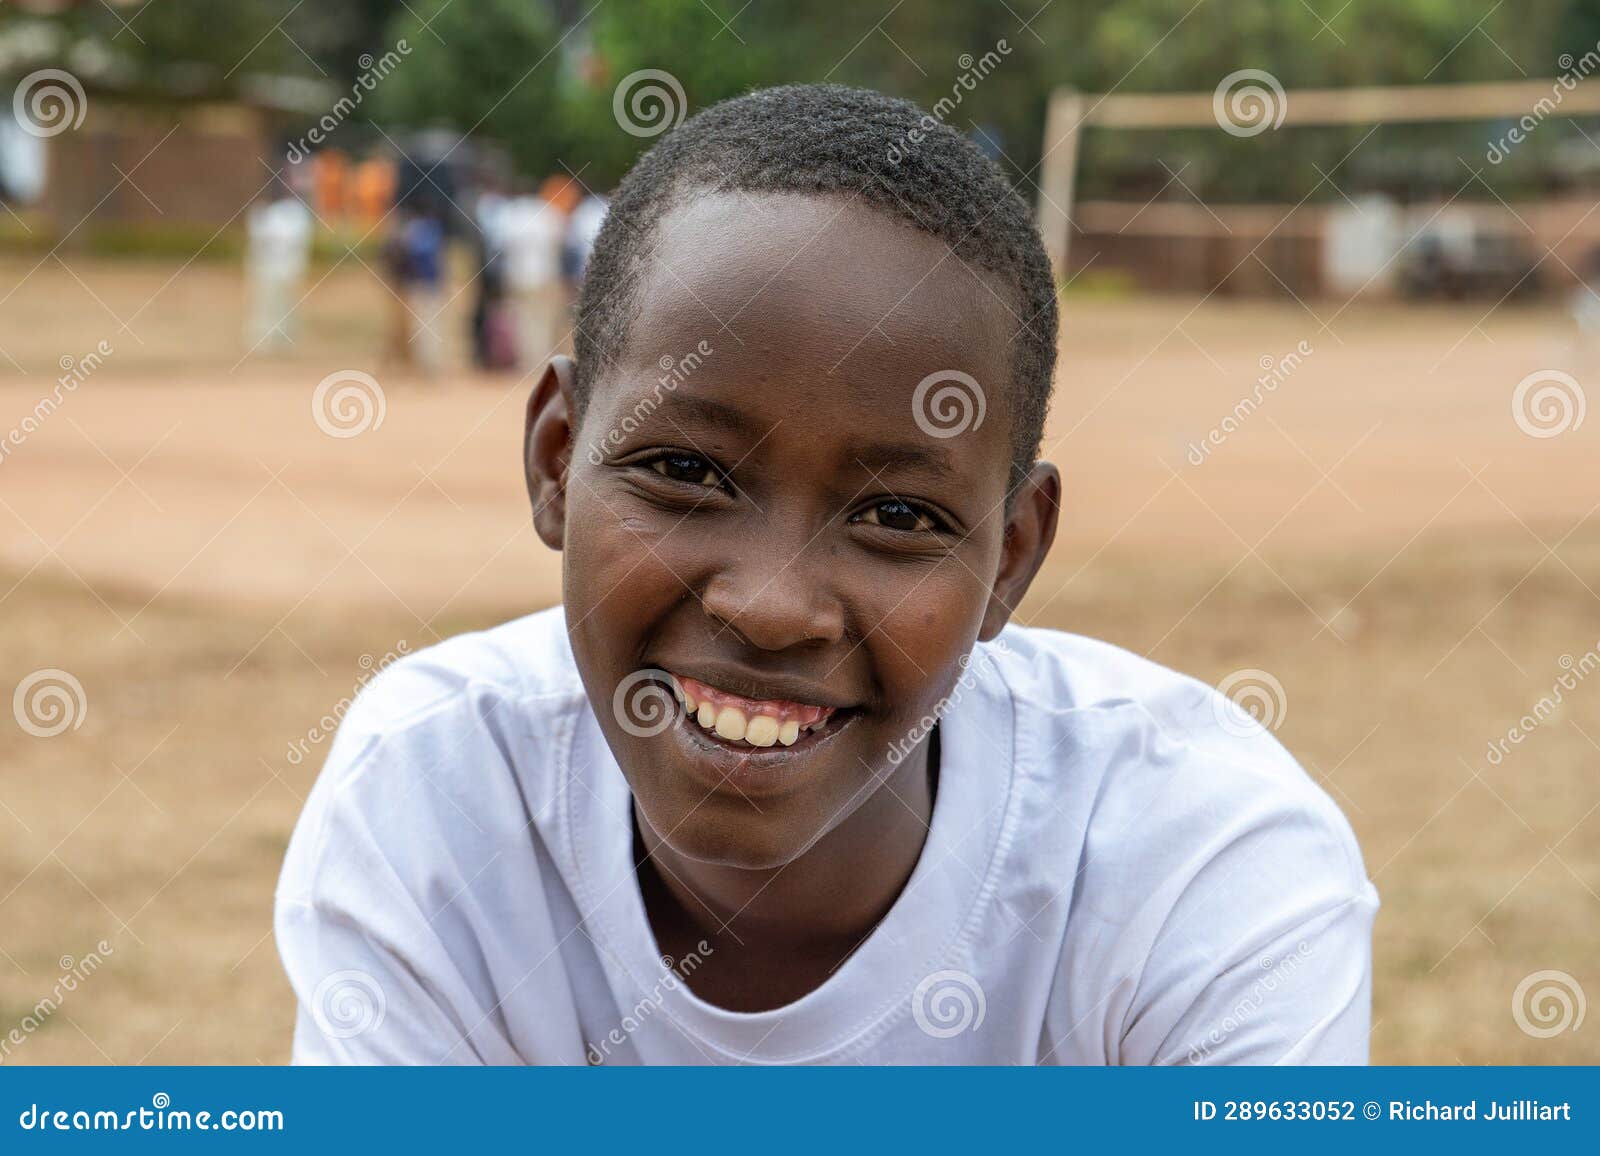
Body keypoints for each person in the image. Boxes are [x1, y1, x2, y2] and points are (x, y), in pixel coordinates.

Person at [276, 85, 1377, 1065]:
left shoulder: (1198, 867)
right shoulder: (437, 801)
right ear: (559, 458)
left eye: (899, 515)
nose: (770, 604)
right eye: (685, 471)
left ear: (1013, 558)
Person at [498, 184, 566, 368]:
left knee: (522, 319)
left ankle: (527, 361)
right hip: (545, 274)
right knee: (543, 320)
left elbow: (502, 246)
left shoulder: (511, 214)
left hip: (519, 274)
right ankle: (542, 358)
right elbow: (558, 244)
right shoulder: (547, 213)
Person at [243, 179, 313, 351]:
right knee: (266, 302)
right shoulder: (265, 212)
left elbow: (294, 241)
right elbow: (259, 240)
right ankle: (264, 335)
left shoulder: (294, 213)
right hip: (267, 267)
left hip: (287, 266)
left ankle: (284, 335)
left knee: (285, 303)